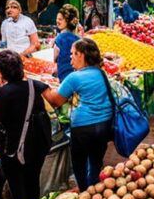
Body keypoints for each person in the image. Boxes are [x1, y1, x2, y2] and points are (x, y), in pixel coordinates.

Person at [42, 38, 114, 189]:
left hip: (83, 128)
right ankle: (94, 188)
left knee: (79, 163)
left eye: (73, 54)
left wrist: (41, 87)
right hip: (104, 125)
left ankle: (84, 191)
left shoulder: (75, 77)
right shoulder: (100, 73)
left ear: (81, 55)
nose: (70, 58)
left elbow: (56, 101)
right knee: (95, 161)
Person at [0, 50, 52, 199]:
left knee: (18, 189)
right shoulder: (35, 85)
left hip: (13, 150)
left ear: (1, 72)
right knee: (33, 183)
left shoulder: (2, 93)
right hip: (37, 146)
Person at [53, 5, 83, 81]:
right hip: (77, 76)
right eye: (57, 19)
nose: (57, 21)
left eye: (60, 19)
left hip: (63, 76)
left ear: (67, 21)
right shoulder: (79, 39)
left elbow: (55, 58)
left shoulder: (60, 38)